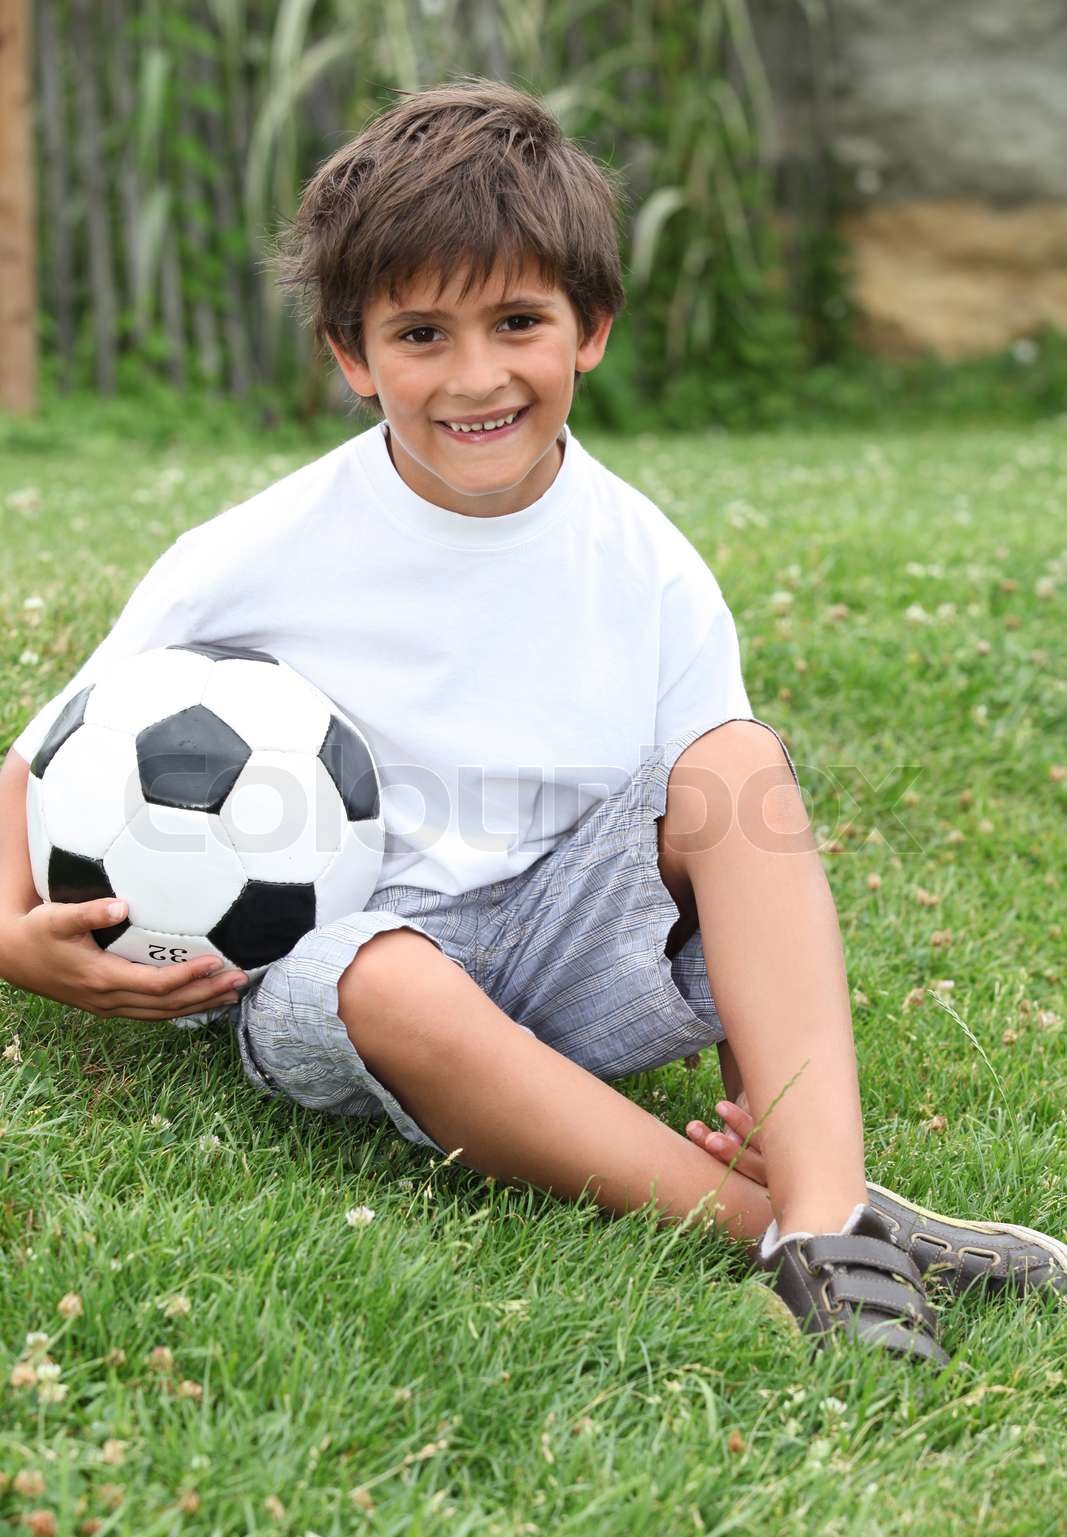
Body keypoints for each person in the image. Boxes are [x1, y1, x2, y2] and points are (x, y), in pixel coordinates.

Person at [1, 80, 1063, 1366]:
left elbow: (725, 840)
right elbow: (37, 765)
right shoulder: (251, 556)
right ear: (351, 354)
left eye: (517, 322)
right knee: (387, 977)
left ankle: (825, 1198)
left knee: (739, 765)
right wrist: (16, 947)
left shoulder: (644, 564)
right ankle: (791, 1233)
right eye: (420, 335)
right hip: (345, 969)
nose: (476, 376)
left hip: (565, 936)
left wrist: (754, 1076)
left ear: (589, 329)